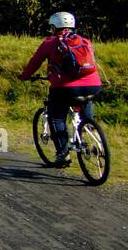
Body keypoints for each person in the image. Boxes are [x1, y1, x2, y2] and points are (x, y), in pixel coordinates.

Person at [19, 11, 103, 167]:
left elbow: (35, 62)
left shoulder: (50, 42)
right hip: (93, 84)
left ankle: (63, 155)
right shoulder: (85, 41)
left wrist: (24, 76)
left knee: (56, 117)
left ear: (53, 27)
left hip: (65, 88)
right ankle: (89, 129)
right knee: (85, 104)